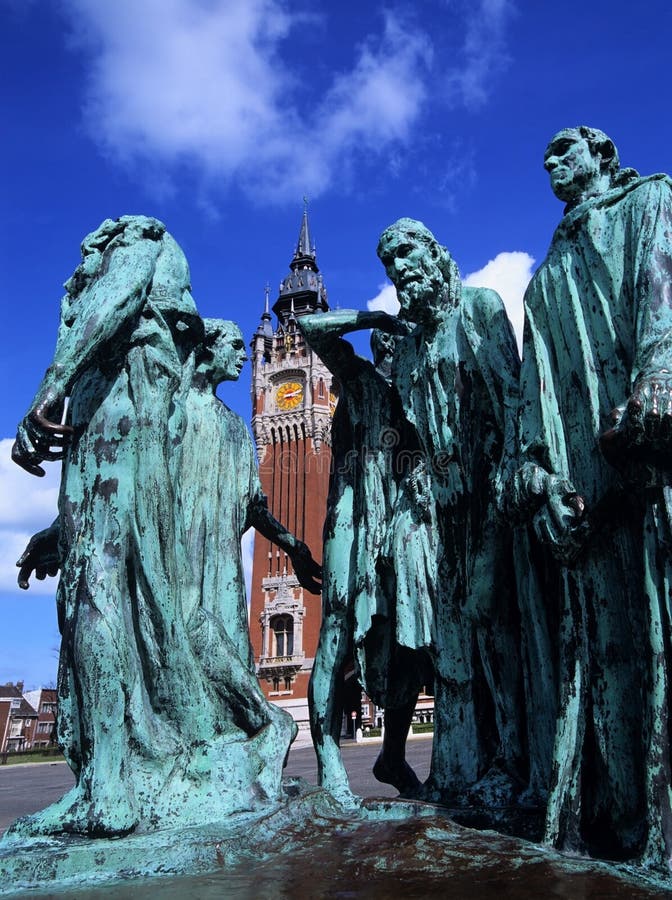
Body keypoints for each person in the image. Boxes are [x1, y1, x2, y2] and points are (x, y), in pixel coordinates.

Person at [9, 218, 318, 838]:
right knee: (129, 604)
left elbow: (110, 303)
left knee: (98, 595)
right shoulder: (189, 403)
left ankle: (111, 783)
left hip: (126, 452)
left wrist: (51, 386)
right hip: (135, 475)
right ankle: (132, 763)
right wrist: (62, 523)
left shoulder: (139, 245)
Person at [513, 127, 672, 868]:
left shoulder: (651, 200)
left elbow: (661, 301)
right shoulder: (541, 283)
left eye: (566, 148)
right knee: (607, 657)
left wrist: (659, 376)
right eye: (545, 155)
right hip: (586, 492)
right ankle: (628, 819)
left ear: (604, 157)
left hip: (653, 452)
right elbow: (530, 396)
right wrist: (538, 474)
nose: (552, 162)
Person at [377, 218, 524, 806]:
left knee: (495, 623)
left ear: (436, 252)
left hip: (492, 499)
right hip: (442, 515)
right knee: (454, 642)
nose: (401, 269)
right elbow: (416, 438)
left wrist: (505, 468)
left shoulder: (478, 306)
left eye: (409, 253)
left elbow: (513, 399)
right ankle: (461, 770)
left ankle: (515, 761)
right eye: (390, 265)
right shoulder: (410, 347)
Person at [299, 310, 428, 803]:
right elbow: (313, 332)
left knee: (411, 639)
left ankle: (391, 755)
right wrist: (378, 316)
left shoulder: (419, 390)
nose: (396, 350)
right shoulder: (360, 381)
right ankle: (329, 764)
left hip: (404, 520)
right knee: (334, 630)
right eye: (391, 342)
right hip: (353, 519)